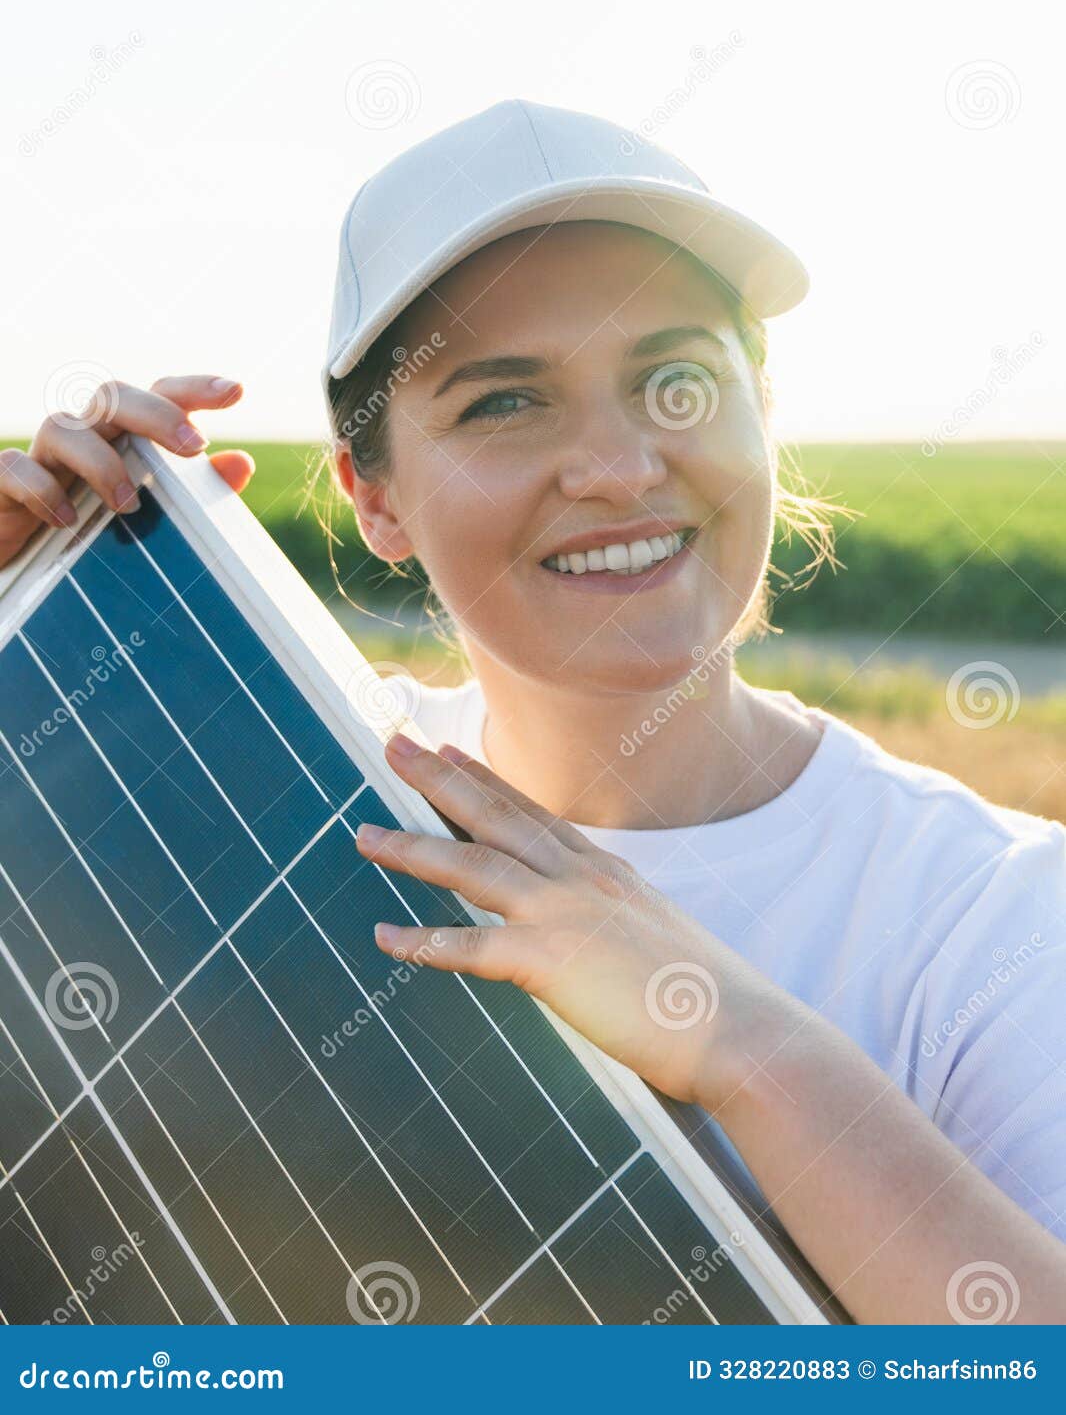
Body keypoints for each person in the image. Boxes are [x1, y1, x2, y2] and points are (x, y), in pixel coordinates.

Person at [2, 99, 1064, 1326]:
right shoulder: (264, 792)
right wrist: (31, 652)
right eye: (504, 403)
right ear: (373, 498)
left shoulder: (994, 916)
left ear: (763, 412)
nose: (620, 468)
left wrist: (744, 1044)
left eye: (675, 380)